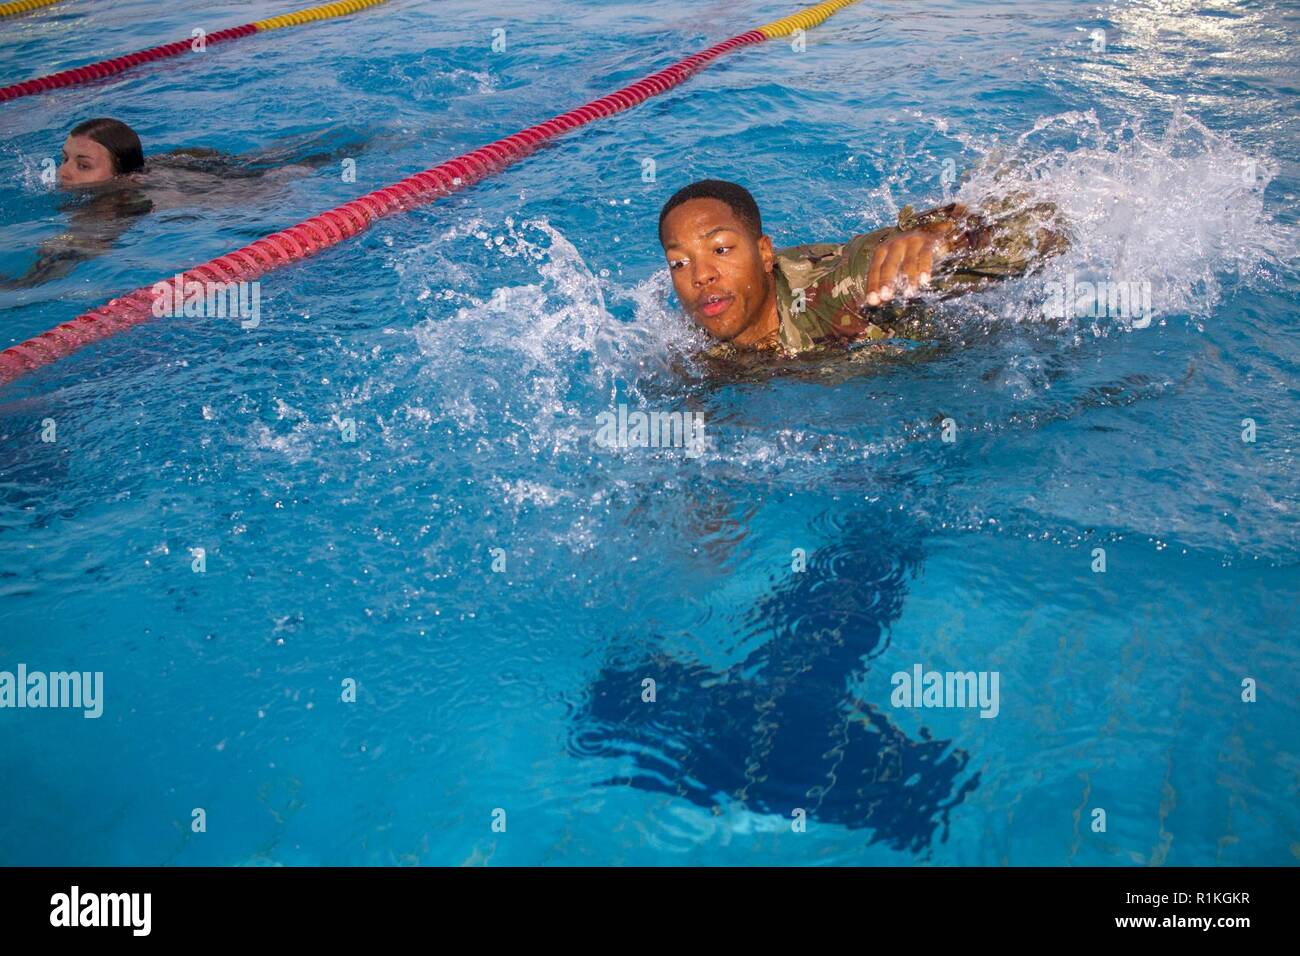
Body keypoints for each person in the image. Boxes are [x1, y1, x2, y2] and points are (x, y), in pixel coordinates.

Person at [658, 178, 1068, 357]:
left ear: (765, 254)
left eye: (721, 249)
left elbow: (1045, 229)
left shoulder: (845, 288)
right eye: (679, 262)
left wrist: (940, 236)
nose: (701, 275)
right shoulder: (694, 347)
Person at [2, 118, 356, 289]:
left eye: (83, 166)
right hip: (202, 168)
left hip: (250, 195)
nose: (65, 173)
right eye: (65, 159)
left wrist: (18, 284)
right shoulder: (148, 167)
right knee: (284, 157)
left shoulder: (118, 200)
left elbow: (74, 250)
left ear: (124, 176)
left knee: (293, 168)